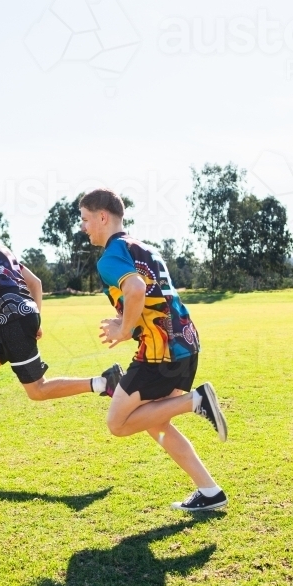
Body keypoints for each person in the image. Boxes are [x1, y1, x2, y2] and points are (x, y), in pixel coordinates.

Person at [79, 188, 229, 512]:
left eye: (86, 219)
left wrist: (124, 329)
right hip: (187, 344)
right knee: (156, 423)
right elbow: (153, 295)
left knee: (118, 424)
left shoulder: (110, 256)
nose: (84, 227)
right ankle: (210, 491)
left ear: (102, 217)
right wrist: (125, 319)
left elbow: (136, 289)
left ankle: (196, 401)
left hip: (160, 353)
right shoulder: (144, 248)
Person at [0, 208, 122, 465]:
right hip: (17, 317)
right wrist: (35, 317)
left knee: (38, 390)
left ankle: (104, 383)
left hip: (11, 320)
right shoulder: (0, 248)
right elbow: (35, 282)